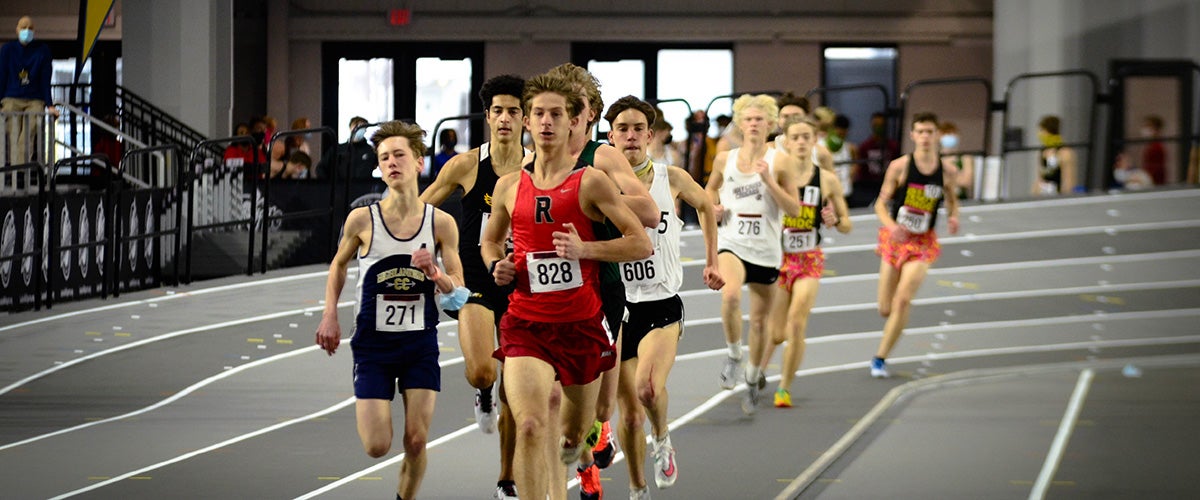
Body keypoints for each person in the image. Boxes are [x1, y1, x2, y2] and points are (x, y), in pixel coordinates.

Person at [480, 72, 651, 500]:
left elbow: (641, 240)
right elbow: (489, 240)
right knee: (533, 424)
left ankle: (580, 449)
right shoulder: (509, 185)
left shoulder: (592, 178)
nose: (545, 122)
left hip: (581, 323)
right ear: (527, 122)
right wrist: (496, 264)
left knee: (576, 431)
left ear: (574, 119)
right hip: (526, 323)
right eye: (537, 113)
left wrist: (585, 250)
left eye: (556, 113)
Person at [315, 120, 467, 500]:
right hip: (373, 347)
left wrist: (435, 272)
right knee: (377, 446)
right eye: (384, 157)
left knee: (416, 441)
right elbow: (338, 265)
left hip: (419, 345)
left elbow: (459, 293)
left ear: (419, 162)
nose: (392, 163)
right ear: (378, 167)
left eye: (399, 155)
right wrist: (329, 314)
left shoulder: (441, 224)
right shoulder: (362, 220)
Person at [547, 62, 659, 500]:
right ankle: (582, 474)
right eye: (555, 106)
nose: (563, 116)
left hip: (602, 283)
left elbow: (648, 213)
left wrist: (596, 197)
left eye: (574, 105)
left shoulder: (603, 155)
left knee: (599, 405)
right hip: (549, 290)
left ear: (589, 112)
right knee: (551, 397)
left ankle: (597, 433)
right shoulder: (532, 159)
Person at [604, 96, 724, 498]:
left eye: (638, 128)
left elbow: (706, 206)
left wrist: (713, 261)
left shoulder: (669, 178)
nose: (631, 135)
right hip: (617, 307)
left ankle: (663, 437)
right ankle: (637, 488)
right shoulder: (595, 183)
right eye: (622, 128)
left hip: (660, 304)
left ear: (650, 135)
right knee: (628, 413)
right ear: (610, 136)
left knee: (647, 389)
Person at [419, 74, 526, 500]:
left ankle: (506, 479)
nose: (504, 118)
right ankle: (483, 393)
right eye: (497, 110)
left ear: (525, 118)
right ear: (487, 116)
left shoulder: (539, 168)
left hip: (522, 284)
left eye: (513, 111)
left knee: (516, 389)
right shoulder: (466, 165)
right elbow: (422, 209)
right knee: (484, 371)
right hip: (474, 282)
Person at [750, 116, 851, 412]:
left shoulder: (827, 180)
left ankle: (785, 386)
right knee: (777, 332)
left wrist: (836, 221)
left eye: (808, 136)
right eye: (796, 137)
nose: (802, 142)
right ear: (787, 141)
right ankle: (764, 370)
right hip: (778, 260)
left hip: (808, 259)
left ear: (814, 140)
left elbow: (847, 224)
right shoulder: (775, 175)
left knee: (797, 323)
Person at [705, 94, 802, 400]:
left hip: (766, 249)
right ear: (740, 124)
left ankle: (753, 372)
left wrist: (769, 181)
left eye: (760, 119)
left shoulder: (781, 161)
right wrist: (714, 206)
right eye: (748, 119)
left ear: (771, 124)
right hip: (733, 242)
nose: (754, 124)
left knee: (761, 322)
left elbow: (795, 210)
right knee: (731, 295)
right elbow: (709, 190)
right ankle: (734, 354)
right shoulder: (725, 159)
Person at [870, 112, 960, 378]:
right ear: (912, 135)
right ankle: (892, 323)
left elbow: (953, 200)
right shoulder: (899, 167)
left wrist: (954, 217)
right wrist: (891, 225)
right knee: (885, 308)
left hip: (923, 243)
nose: (924, 137)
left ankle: (879, 358)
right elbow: (879, 204)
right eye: (919, 132)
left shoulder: (948, 171)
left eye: (929, 132)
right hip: (896, 240)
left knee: (903, 300)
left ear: (937, 135)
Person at [1, 16, 58, 165]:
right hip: (11, 98)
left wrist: (50, 105)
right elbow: (2, 75)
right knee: (13, 136)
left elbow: (45, 79)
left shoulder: (42, 51)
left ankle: (20, 171)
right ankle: (15, 170)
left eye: (30, 28)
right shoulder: (7, 50)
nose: (26, 31)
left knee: (27, 136)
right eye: (23, 28)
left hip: (34, 99)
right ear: (17, 30)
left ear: (34, 31)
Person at [854, 111, 900, 208]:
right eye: (876, 125)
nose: (878, 127)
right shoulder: (865, 146)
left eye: (881, 125)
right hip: (868, 186)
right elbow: (861, 170)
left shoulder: (893, 146)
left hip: (888, 183)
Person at [1034, 115, 1077, 195]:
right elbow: (1040, 177)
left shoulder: (1064, 152)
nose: (1040, 134)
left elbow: (1068, 179)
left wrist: (1064, 198)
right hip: (1044, 195)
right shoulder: (1043, 152)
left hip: (1058, 195)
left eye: (1042, 130)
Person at [938, 121, 975, 199]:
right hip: (939, 200)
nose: (949, 137)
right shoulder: (934, 158)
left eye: (952, 134)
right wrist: (957, 176)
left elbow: (967, 182)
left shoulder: (965, 158)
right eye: (946, 134)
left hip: (961, 200)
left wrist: (947, 178)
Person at [1140, 114, 1166, 186]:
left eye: (1148, 126)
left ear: (1155, 129)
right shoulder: (1151, 146)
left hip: (1155, 184)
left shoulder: (1156, 147)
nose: (1145, 130)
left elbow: (1154, 170)